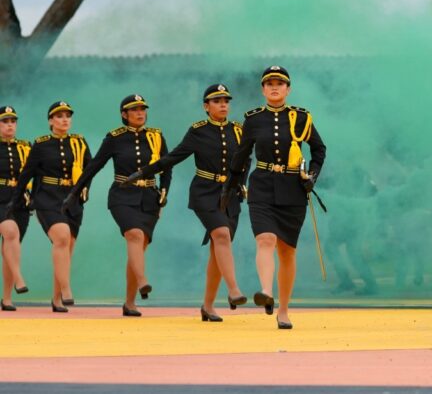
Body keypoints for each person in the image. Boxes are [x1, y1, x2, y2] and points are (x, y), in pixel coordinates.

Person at [123, 84, 250, 321]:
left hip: (230, 193)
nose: (223, 104)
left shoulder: (239, 130)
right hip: (205, 191)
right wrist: (143, 173)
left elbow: (247, 159)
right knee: (221, 235)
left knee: (218, 248)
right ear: (206, 106)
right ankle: (234, 290)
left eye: (226, 100)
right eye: (216, 101)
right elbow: (173, 157)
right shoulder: (198, 131)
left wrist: (242, 183)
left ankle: (208, 306)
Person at [227, 65, 327, 329]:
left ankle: (283, 310)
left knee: (287, 251)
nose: (274, 87)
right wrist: (232, 183)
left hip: (292, 188)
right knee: (265, 239)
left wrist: (312, 177)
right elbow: (241, 154)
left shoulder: (301, 118)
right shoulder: (253, 119)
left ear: (288, 89)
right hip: (262, 185)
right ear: (262, 89)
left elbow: (319, 149)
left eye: (280, 83)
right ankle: (265, 292)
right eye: (269, 83)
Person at [67, 94, 169, 317]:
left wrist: (163, 193)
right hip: (122, 196)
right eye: (134, 110)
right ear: (124, 114)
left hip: (149, 198)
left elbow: (166, 166)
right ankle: (143, 281)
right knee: (134, 235)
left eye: (143, 109)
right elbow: (94, 166)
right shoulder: (115, 137)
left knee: (139, 249)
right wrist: (76, 191)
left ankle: (130, 302)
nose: (140, 113)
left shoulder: (156, 136)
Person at [8, 101, 91, 312]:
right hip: (47, 197)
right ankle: (66, 288)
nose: (64, 119)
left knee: (67, 247)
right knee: (61, 236)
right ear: (50, 121)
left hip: (72, 198)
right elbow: (26, 174)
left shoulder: (79, 143)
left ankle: (56, 299)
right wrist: (16, 201)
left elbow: (89, 168)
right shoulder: (41, 144)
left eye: (67, 116)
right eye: (59, 116)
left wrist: (85, 188)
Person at [0, 105, 31, 310]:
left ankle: (7, 298)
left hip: (19, 199)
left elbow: (35, 172)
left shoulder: (26, 147)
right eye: (5, 121)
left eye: (13, 121)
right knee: (10, 233)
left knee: (12, 245)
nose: (10, 125)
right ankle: (20, 278)